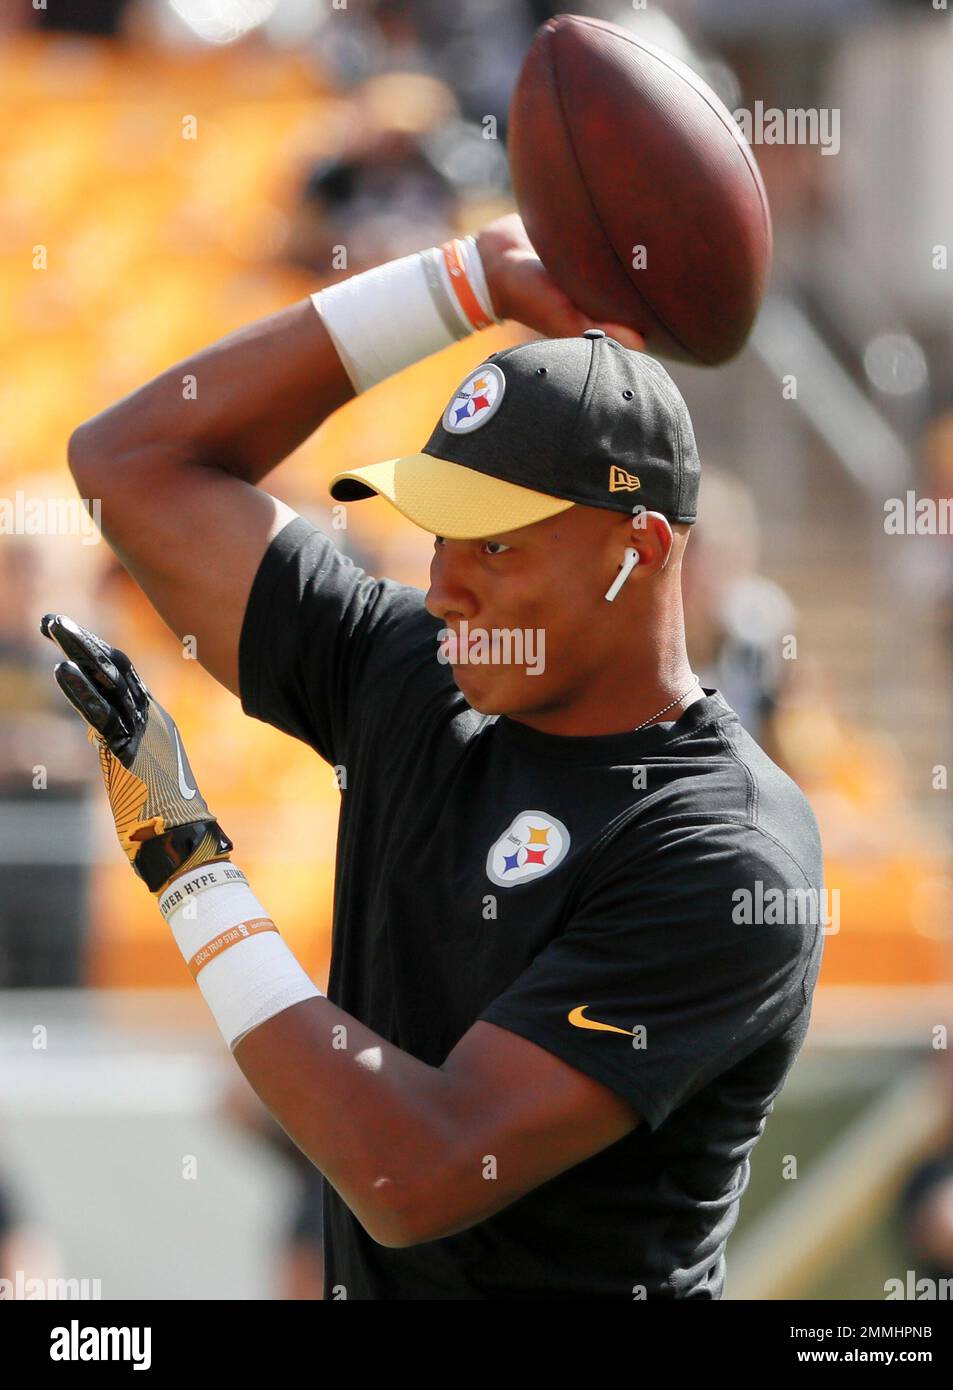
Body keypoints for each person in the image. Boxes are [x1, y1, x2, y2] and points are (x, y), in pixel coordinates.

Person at [56, 214, 824, 1299]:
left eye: (497, 544)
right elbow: (128, 462)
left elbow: (413, 1169)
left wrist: (193, 873)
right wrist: (462, 279)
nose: (447, 586)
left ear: (637, 547)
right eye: (438, 533)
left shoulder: (725, 850)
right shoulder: (420, 670)